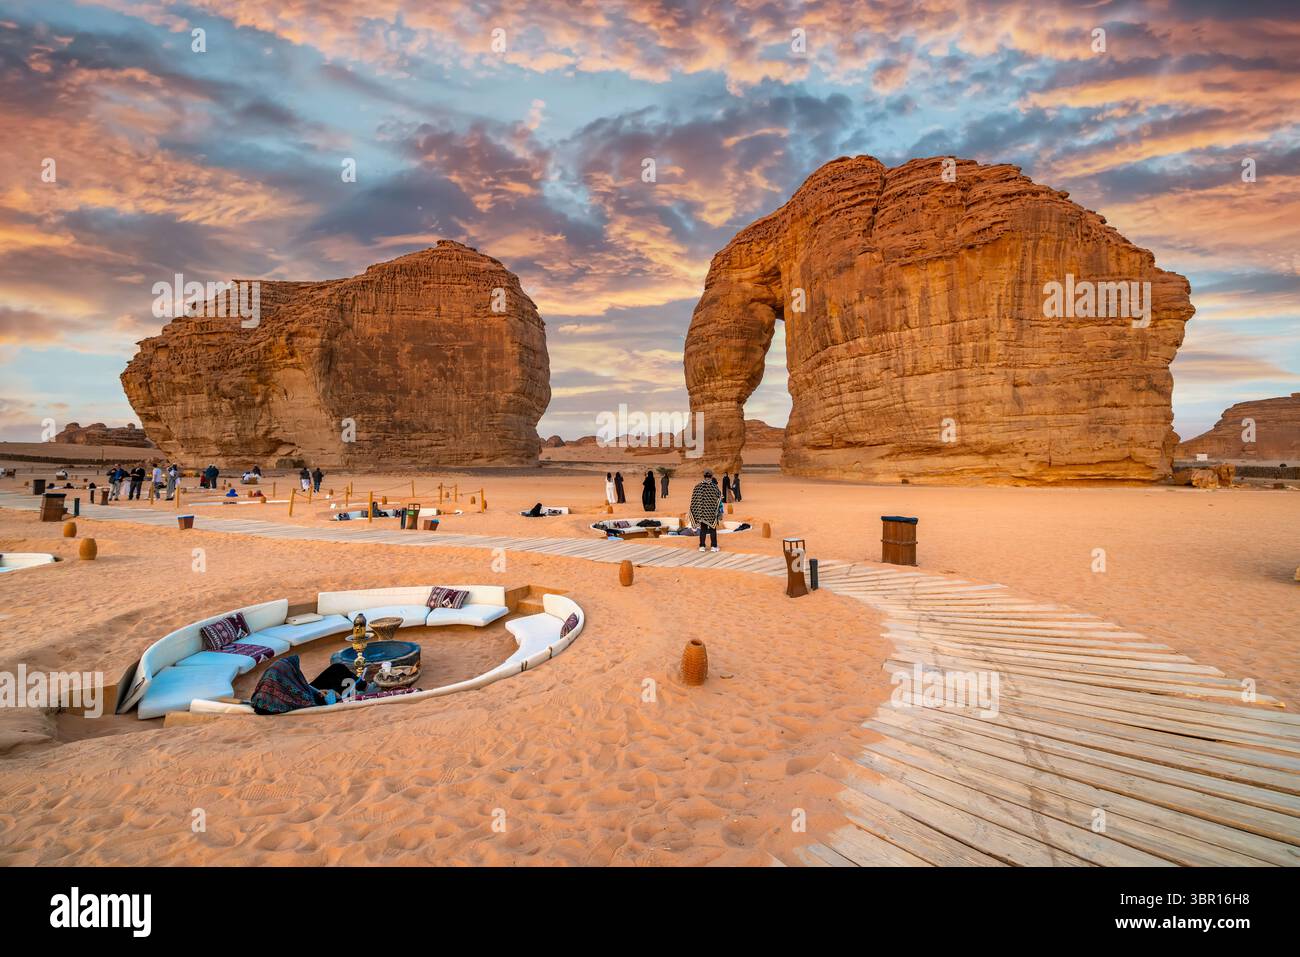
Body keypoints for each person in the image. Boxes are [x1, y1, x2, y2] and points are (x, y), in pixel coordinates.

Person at [689, 470, 723, 553]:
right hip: (711, 513)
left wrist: (696, 511)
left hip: (701, 513)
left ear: (704, 476)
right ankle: (714, 547)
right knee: (712, 529)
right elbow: (719, 498)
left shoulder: (697, 487)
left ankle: (702, 546)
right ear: (711, 476)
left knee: (703, 529)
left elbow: (693, 500)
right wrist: (719, 511)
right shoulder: (714, 487)